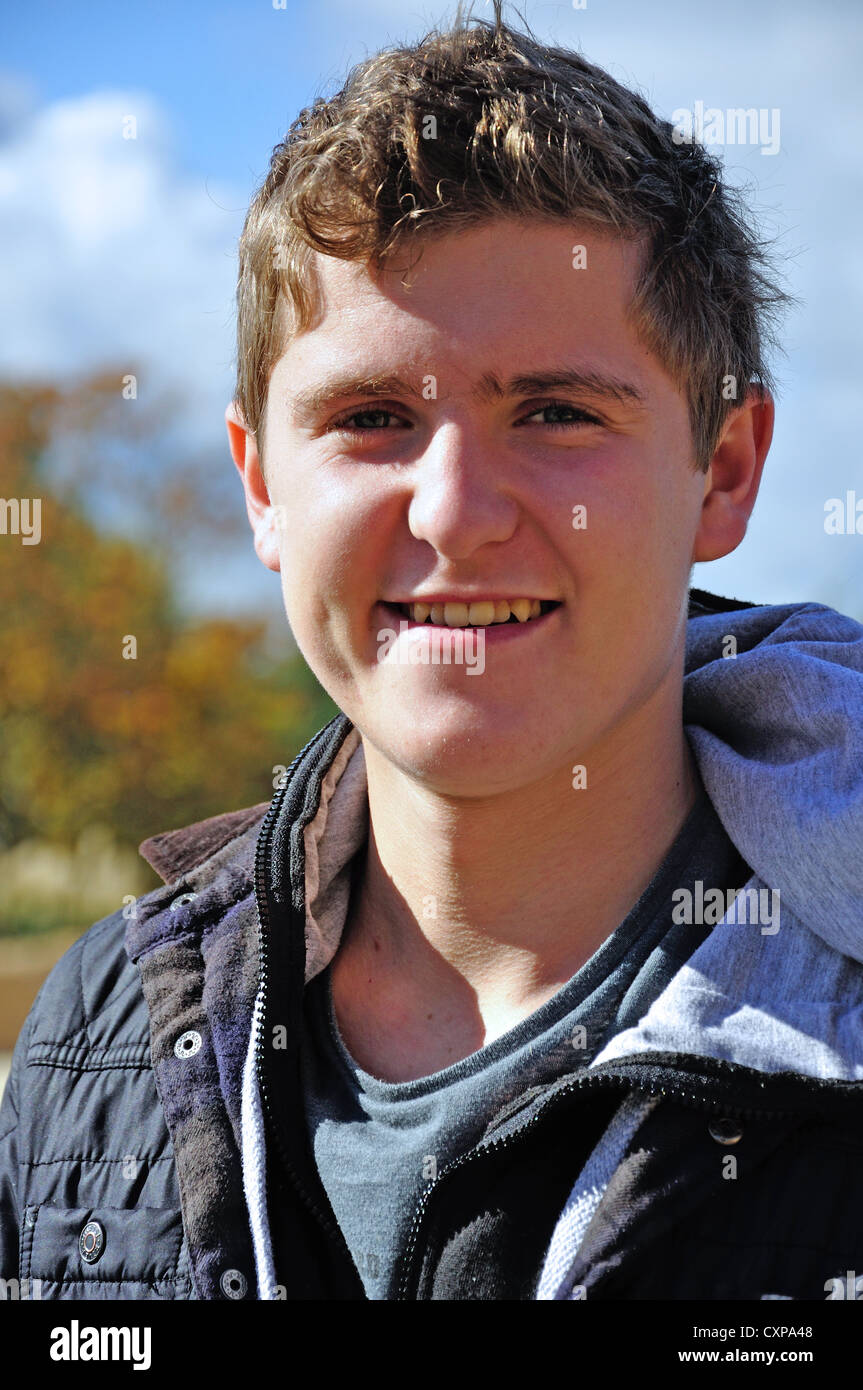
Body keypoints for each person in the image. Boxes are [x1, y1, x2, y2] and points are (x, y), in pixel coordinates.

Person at [2, 1, 862, 1302]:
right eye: (370, 416)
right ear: (260, 487)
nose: (454, 509)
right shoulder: (96, 1034)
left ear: (724, 470)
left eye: (558, 411)